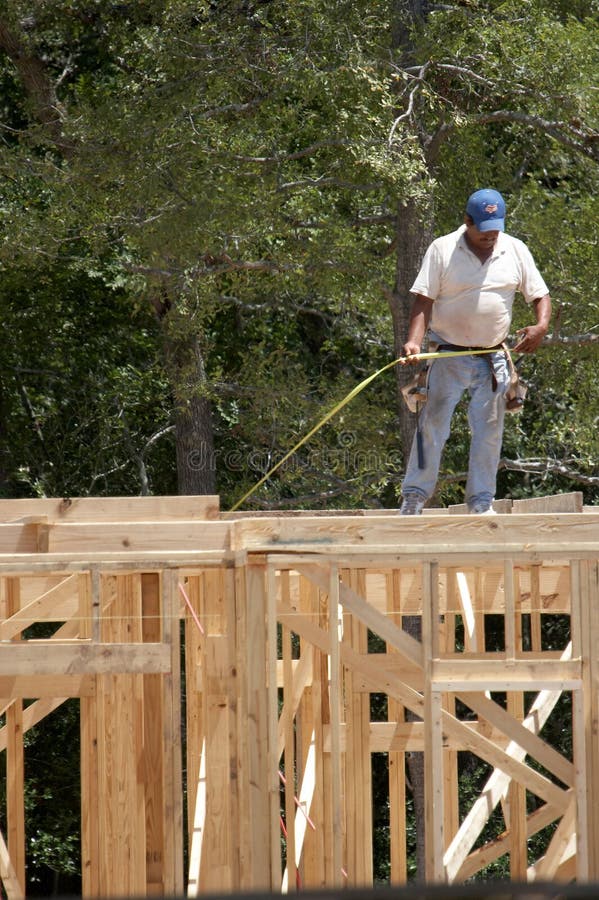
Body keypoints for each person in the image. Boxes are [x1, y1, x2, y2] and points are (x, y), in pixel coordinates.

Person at [399, 188, 551, 515]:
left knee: (489, 428)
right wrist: (414, 341)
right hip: (448, 353)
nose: (491, 235)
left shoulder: (515, 250)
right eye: (484, 228)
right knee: (433, 424)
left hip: (492, 354)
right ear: (468, 221)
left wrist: (540, 326)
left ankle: (481, 502)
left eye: (496, 228)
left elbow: (540, 294)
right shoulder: (442, 249)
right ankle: (414, 497)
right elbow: (423, 300)